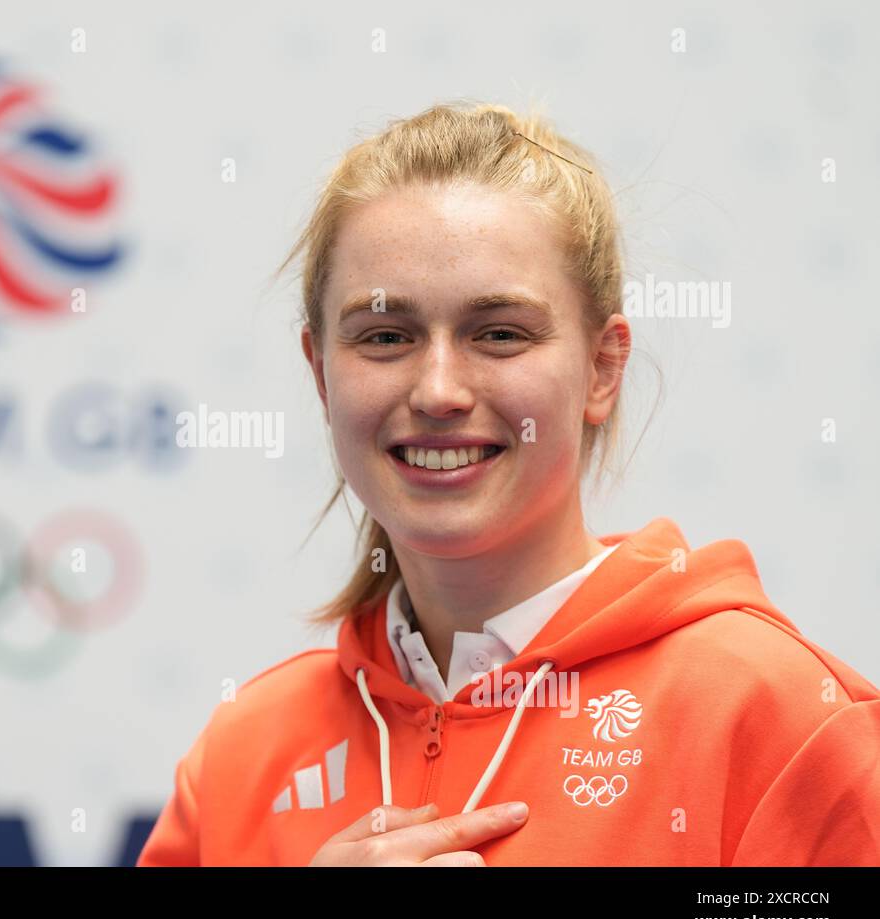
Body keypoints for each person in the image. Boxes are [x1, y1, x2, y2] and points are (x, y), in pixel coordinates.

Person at [136, 102, 880, 866]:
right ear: (320, 374)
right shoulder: (242, 754)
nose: (438, 391)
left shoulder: (781, 717)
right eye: (386, 336)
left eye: (499, 333)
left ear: (602, 369)